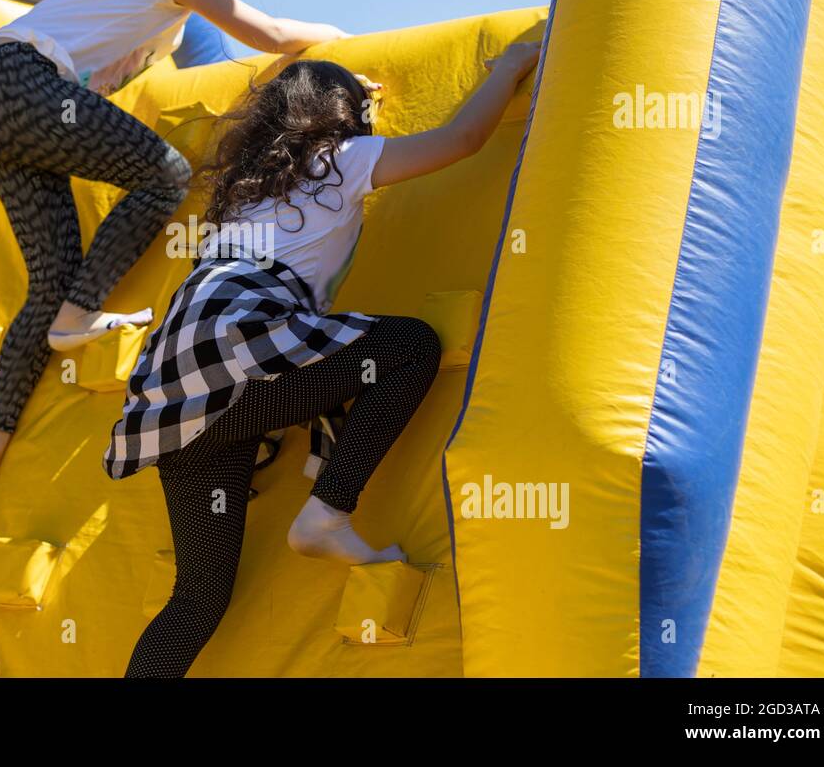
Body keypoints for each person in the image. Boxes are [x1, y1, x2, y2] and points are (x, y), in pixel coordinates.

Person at [106, 41, 542, 677]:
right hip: (238, 346)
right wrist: (507, 68)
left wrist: (339, 93)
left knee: (198, 599)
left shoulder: (243, 192)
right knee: (411, 347)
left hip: (178, 383)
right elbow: (465, 139)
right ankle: (328, 510)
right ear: (341, 123)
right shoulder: (337, 160)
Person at [0, 0, 351, 519]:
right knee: (164, 173)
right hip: (22, 86)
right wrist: (338, 38)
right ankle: (76, 315)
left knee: (51, 280)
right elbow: (267, 35)